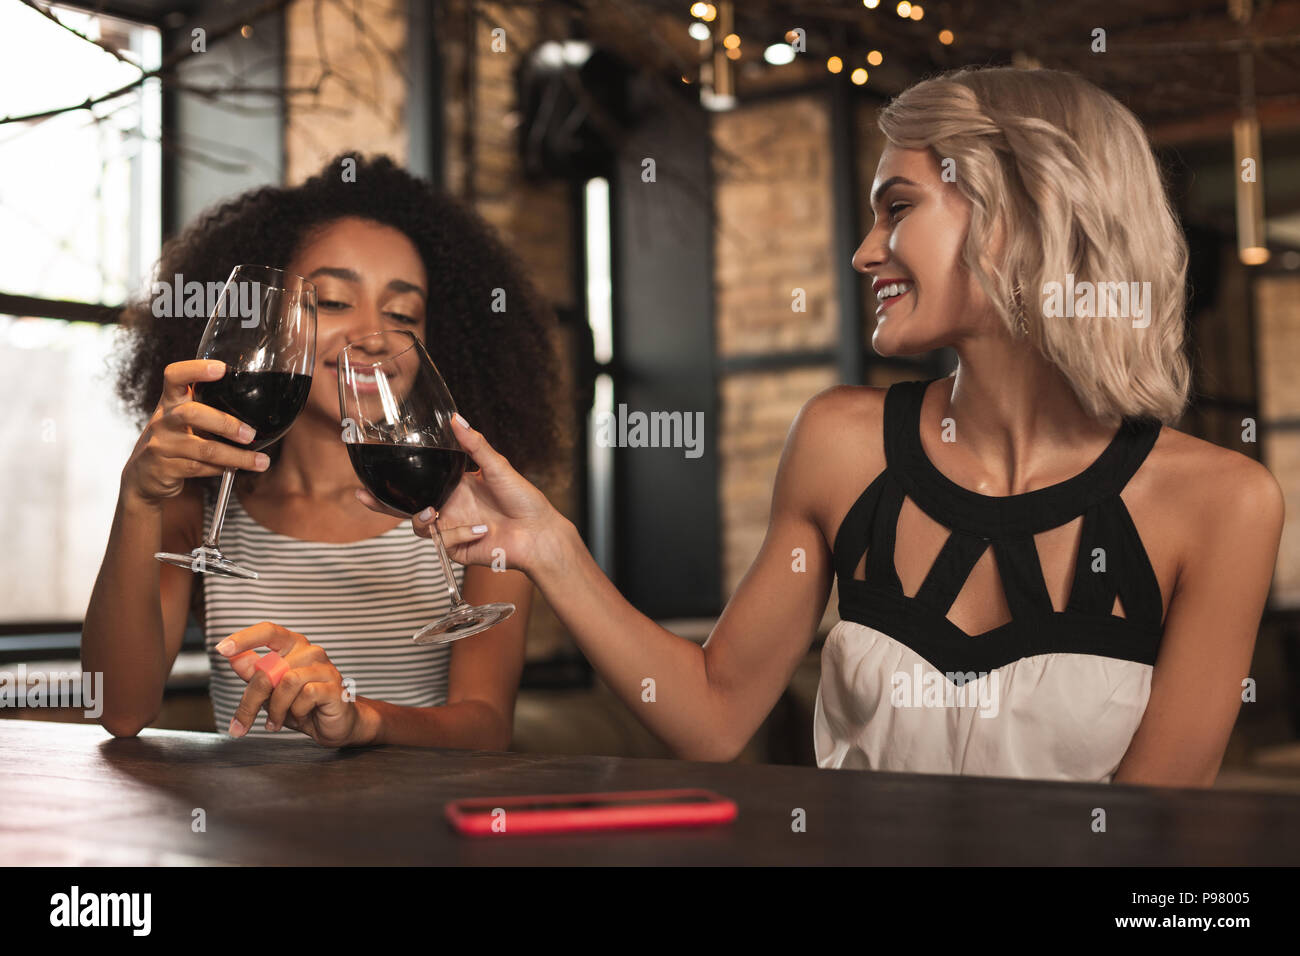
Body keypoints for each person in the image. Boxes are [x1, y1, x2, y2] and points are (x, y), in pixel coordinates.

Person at [363, 68, 1284, 786]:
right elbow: (715, 720)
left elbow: (1160, 847)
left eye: (898, 209)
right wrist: (551, 547)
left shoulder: (1220, 503)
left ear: (1017, 219)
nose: (862, 252)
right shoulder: (843, 445)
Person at [84, 153, 566, 748]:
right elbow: (119, 710)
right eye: (333, 302)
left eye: (401, 313)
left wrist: (360, 718)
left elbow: (486, 727)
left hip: (415, 836)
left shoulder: (473, 512)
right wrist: (135, 500)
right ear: (267, 322)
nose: (368, 334)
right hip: (240, 838)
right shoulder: (200, 509)